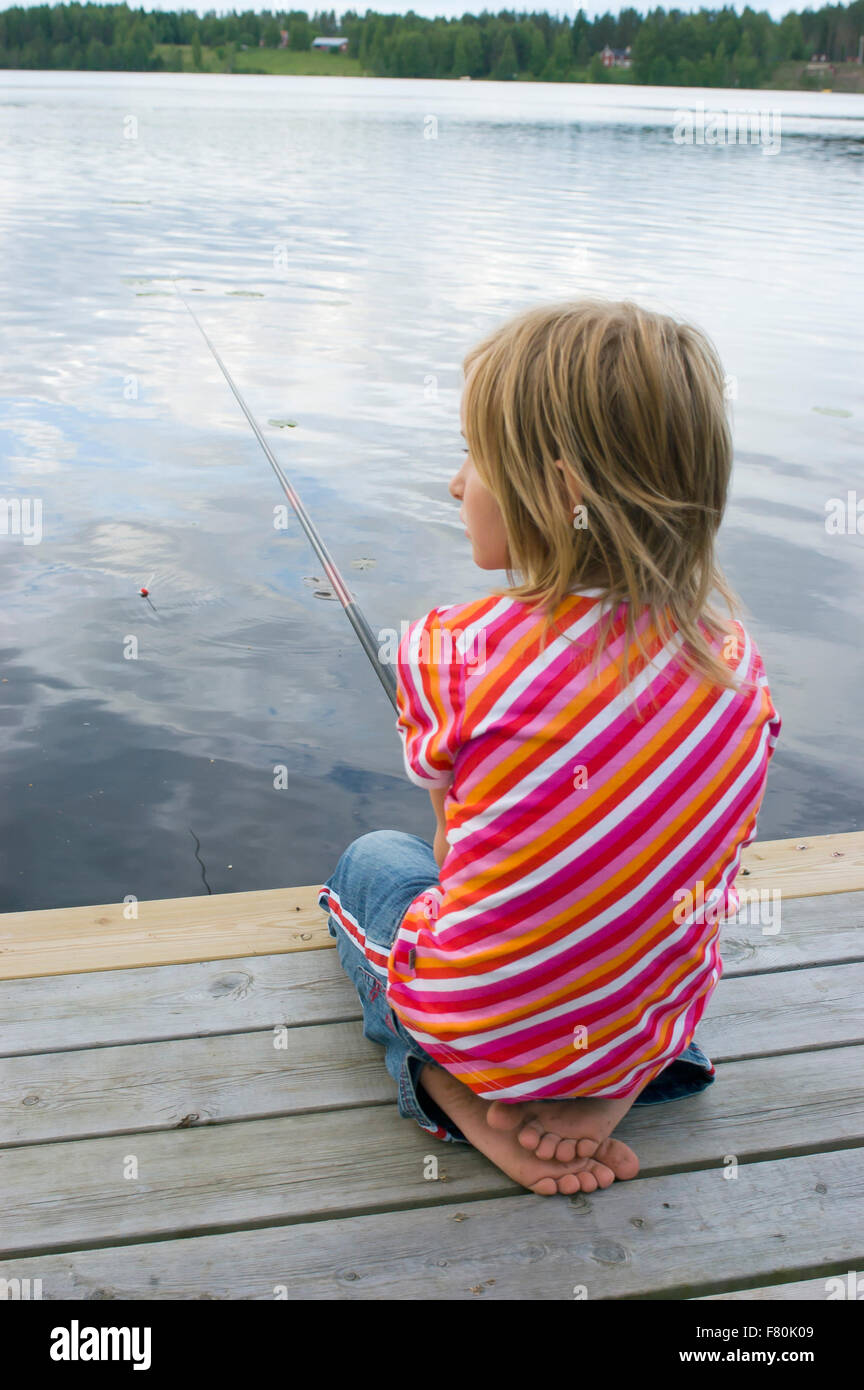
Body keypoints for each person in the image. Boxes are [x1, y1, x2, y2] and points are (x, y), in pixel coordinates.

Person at [318, 299, 781, 1196]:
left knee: (377, 861)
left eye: (473, 460)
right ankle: (622, 1078)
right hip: (642, 1020)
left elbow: (457, 865)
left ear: (560, 491)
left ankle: (446, 1085)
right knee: (652, 931)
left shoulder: (450, 650)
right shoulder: (740, 668)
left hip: (491, 1030)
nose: (456, 486)